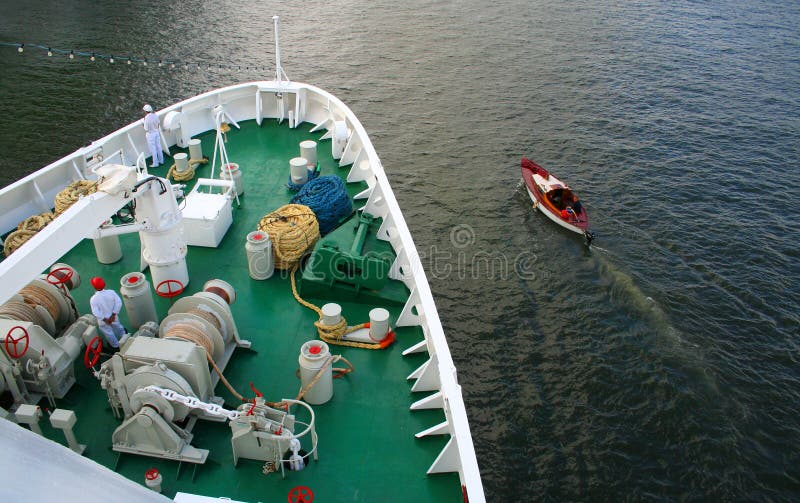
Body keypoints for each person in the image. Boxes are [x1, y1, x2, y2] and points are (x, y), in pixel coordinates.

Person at [89, 277, 126, 350]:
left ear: (94, 287)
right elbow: (118, 303)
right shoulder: (111, 292)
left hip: (103, 321)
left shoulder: (93, 299)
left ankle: (115, 346)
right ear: (104, 284)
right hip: (114, 318)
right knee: (118, 328)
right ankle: (125, 339)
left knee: (108, 333)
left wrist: (105, 319)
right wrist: (113, 315)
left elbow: (95, 312)